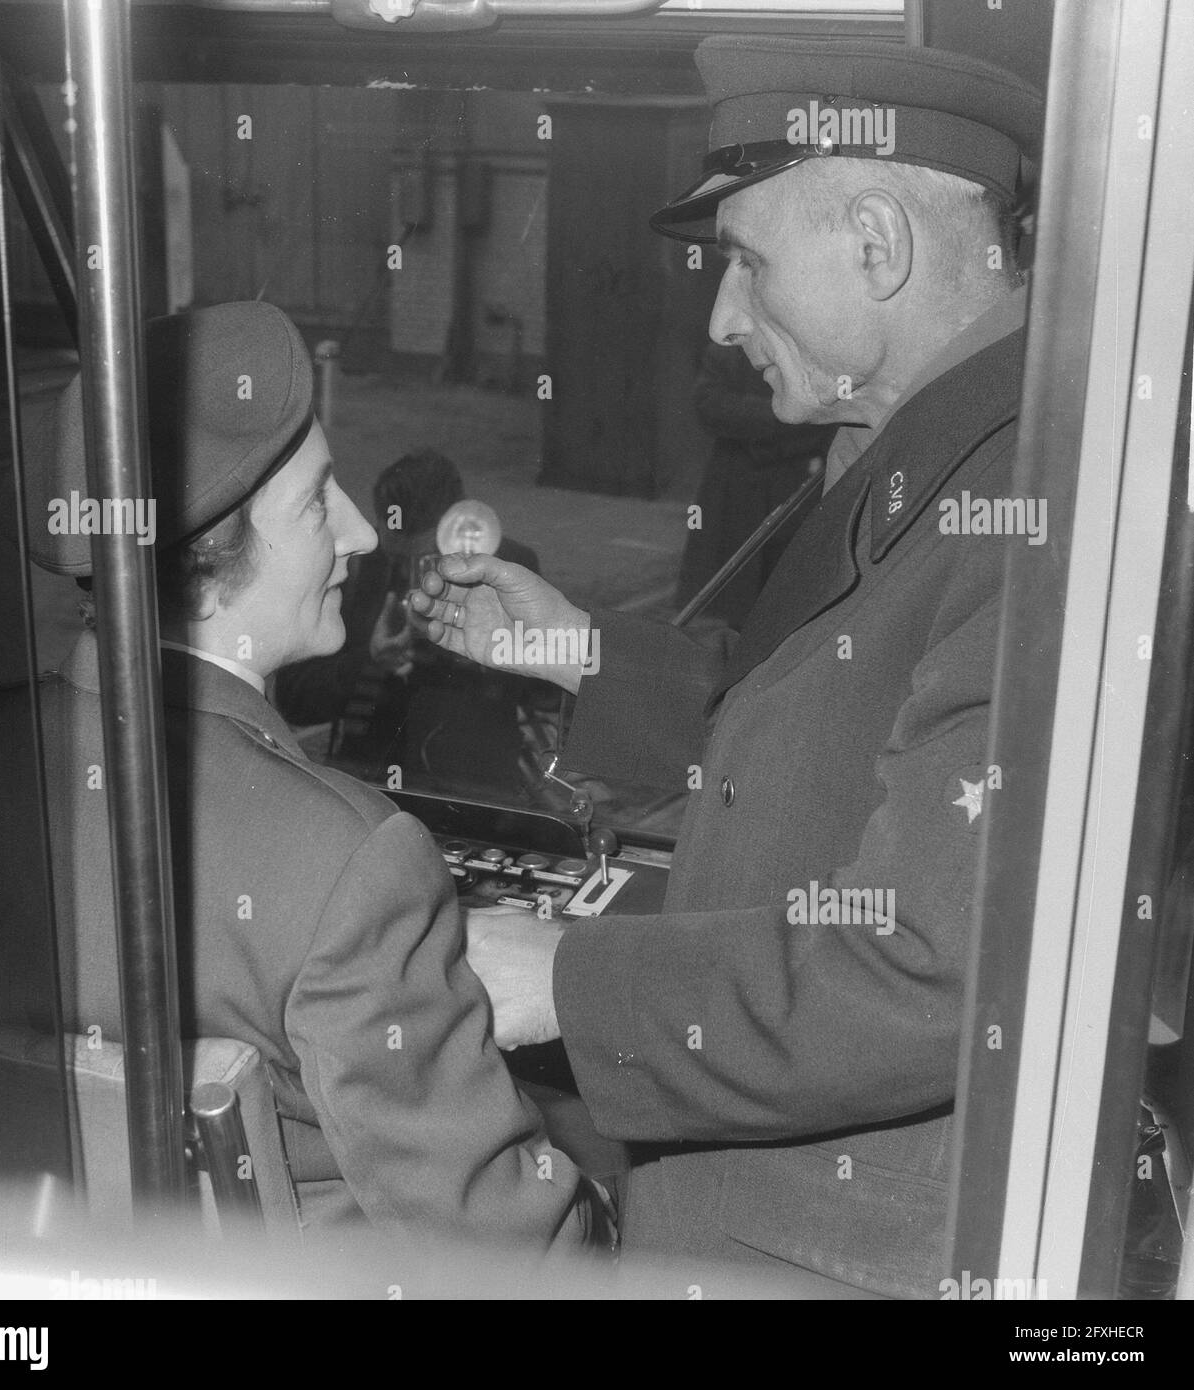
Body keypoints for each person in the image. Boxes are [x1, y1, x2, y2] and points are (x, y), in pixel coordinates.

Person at [409, 38, 1044, 1297]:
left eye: (747, 262)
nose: (720, 315)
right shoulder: (919, 438)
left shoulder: (1030, 501)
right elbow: (829, 730)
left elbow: (936, 960)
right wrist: (578, 648)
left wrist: (563, 978)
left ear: (877, 241)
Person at [0, 301, 605, 1252]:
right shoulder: (351, 856)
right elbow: (516, 1251)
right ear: (211, 554)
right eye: (319, 501)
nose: (359, 534)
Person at [275, 448, 546, 801]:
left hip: (472, 793)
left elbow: (541, 691)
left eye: (426, 560)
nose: (411, 575)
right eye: (398, 558)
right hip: (369, 790)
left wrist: (475, 655)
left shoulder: (506, 568)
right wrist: (370, 661)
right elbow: (296, 698)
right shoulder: (353, 570)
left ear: (459, 531)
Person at [676, 341, 836, 628]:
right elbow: (709, 405)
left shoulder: (815, 342)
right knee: (727, 601)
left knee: (792, 601)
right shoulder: (732, 346)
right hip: (735, 484)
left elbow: (829, 414)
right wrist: (782, 416)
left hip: (799, 481)